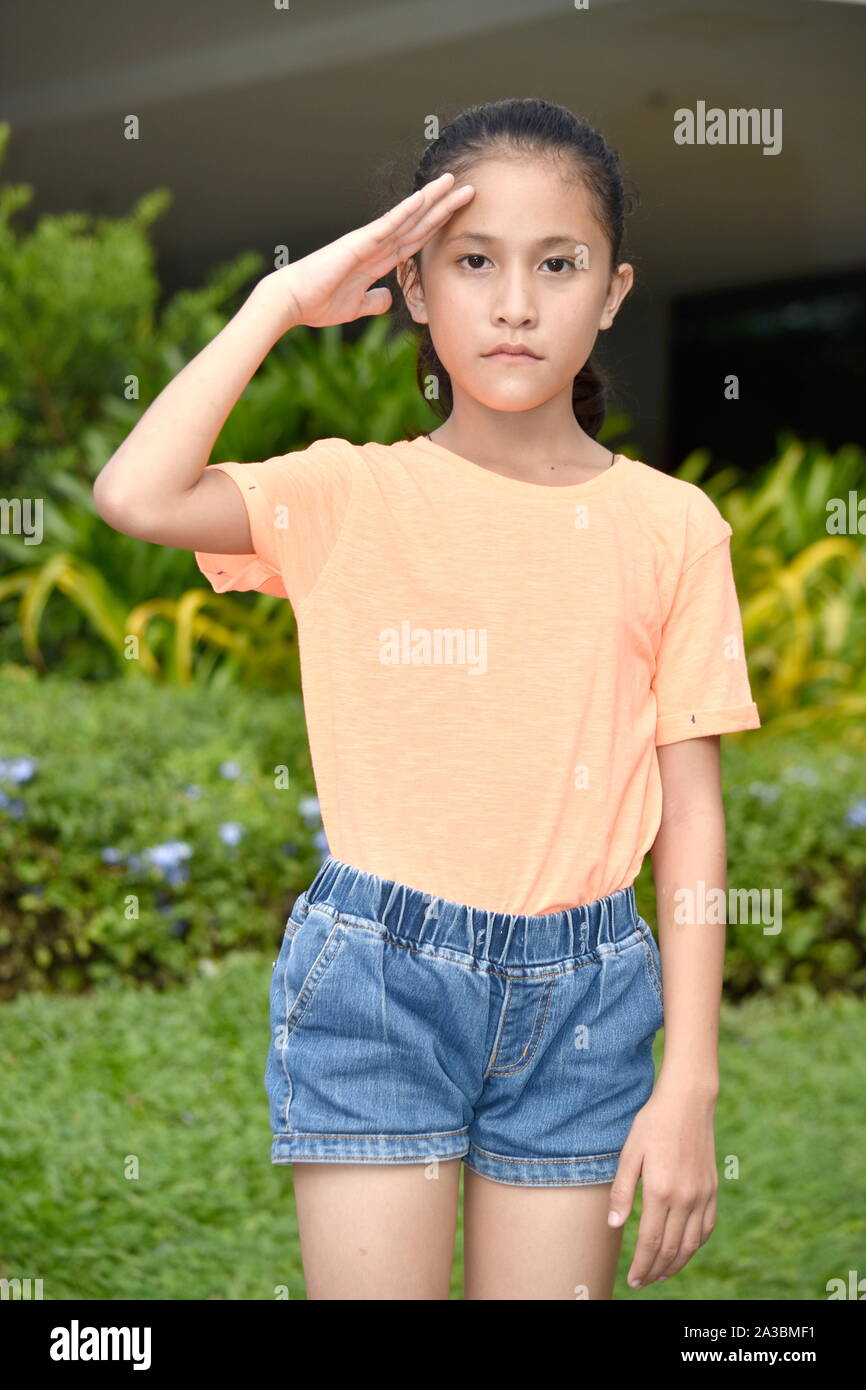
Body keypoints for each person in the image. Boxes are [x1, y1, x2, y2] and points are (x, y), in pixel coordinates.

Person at [93, 97, 761, 1301]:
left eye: (556, 264)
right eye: (470, 262)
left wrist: (689, 1082)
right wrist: (281, 302)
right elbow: (136, 496)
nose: (514, 302)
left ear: (612, 291)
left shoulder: (670, 527)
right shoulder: (343, 495)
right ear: (411, 285)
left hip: (587, 998)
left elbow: (694, 818)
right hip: (377, 982)